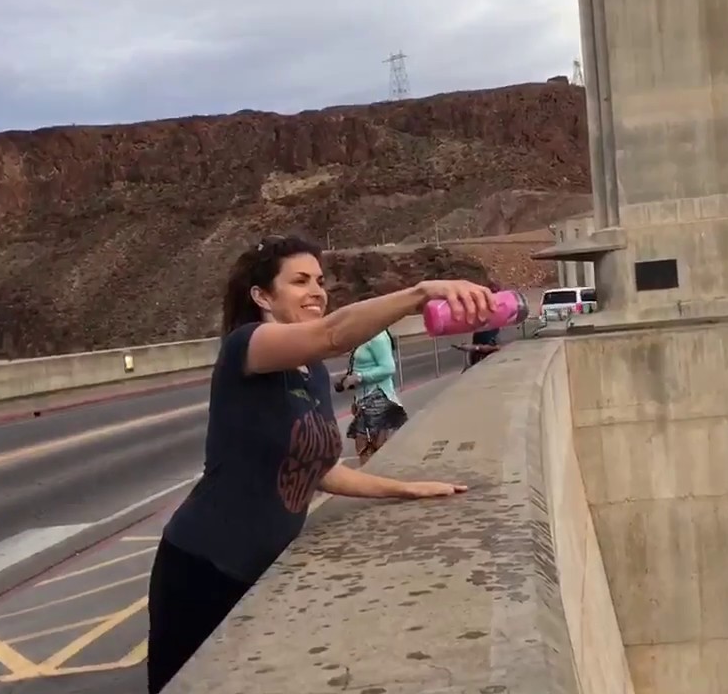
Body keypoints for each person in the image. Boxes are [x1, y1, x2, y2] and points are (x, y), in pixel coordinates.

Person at [146, 234, 496, 693]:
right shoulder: (246, 347)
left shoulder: (309, 373)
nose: (316, 290)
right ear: (262, 297)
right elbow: (332, 333)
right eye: (299, 281)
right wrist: (419, 294)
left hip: (261, 572)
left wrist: (404, 488)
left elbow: (321, 468)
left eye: (320, 280)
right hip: (202, 568)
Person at [340, 328, 407, 465]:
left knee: (366, 446)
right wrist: (355, 398)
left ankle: (373, 480)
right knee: (372, 447)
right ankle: (379, 478)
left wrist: (359, 377)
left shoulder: (377, 336)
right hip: (365, 398)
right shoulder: (363, 333)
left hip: (377, 396)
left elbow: (388, 368)